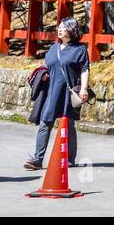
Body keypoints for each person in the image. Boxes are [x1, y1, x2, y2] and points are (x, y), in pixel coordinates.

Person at [24, 18, 90, 170]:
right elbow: (46, 65)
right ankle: (37, 159)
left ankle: (69, 159)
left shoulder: (79, 50)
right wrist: (43, 75)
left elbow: (84, 69)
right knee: (45, 122)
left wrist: (84, 89)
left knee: (68, 124)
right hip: (52, 92)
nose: (59, 30)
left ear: (72, 30)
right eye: (59, 28)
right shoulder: (53, 48)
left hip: (69, 92)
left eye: (63, 28)